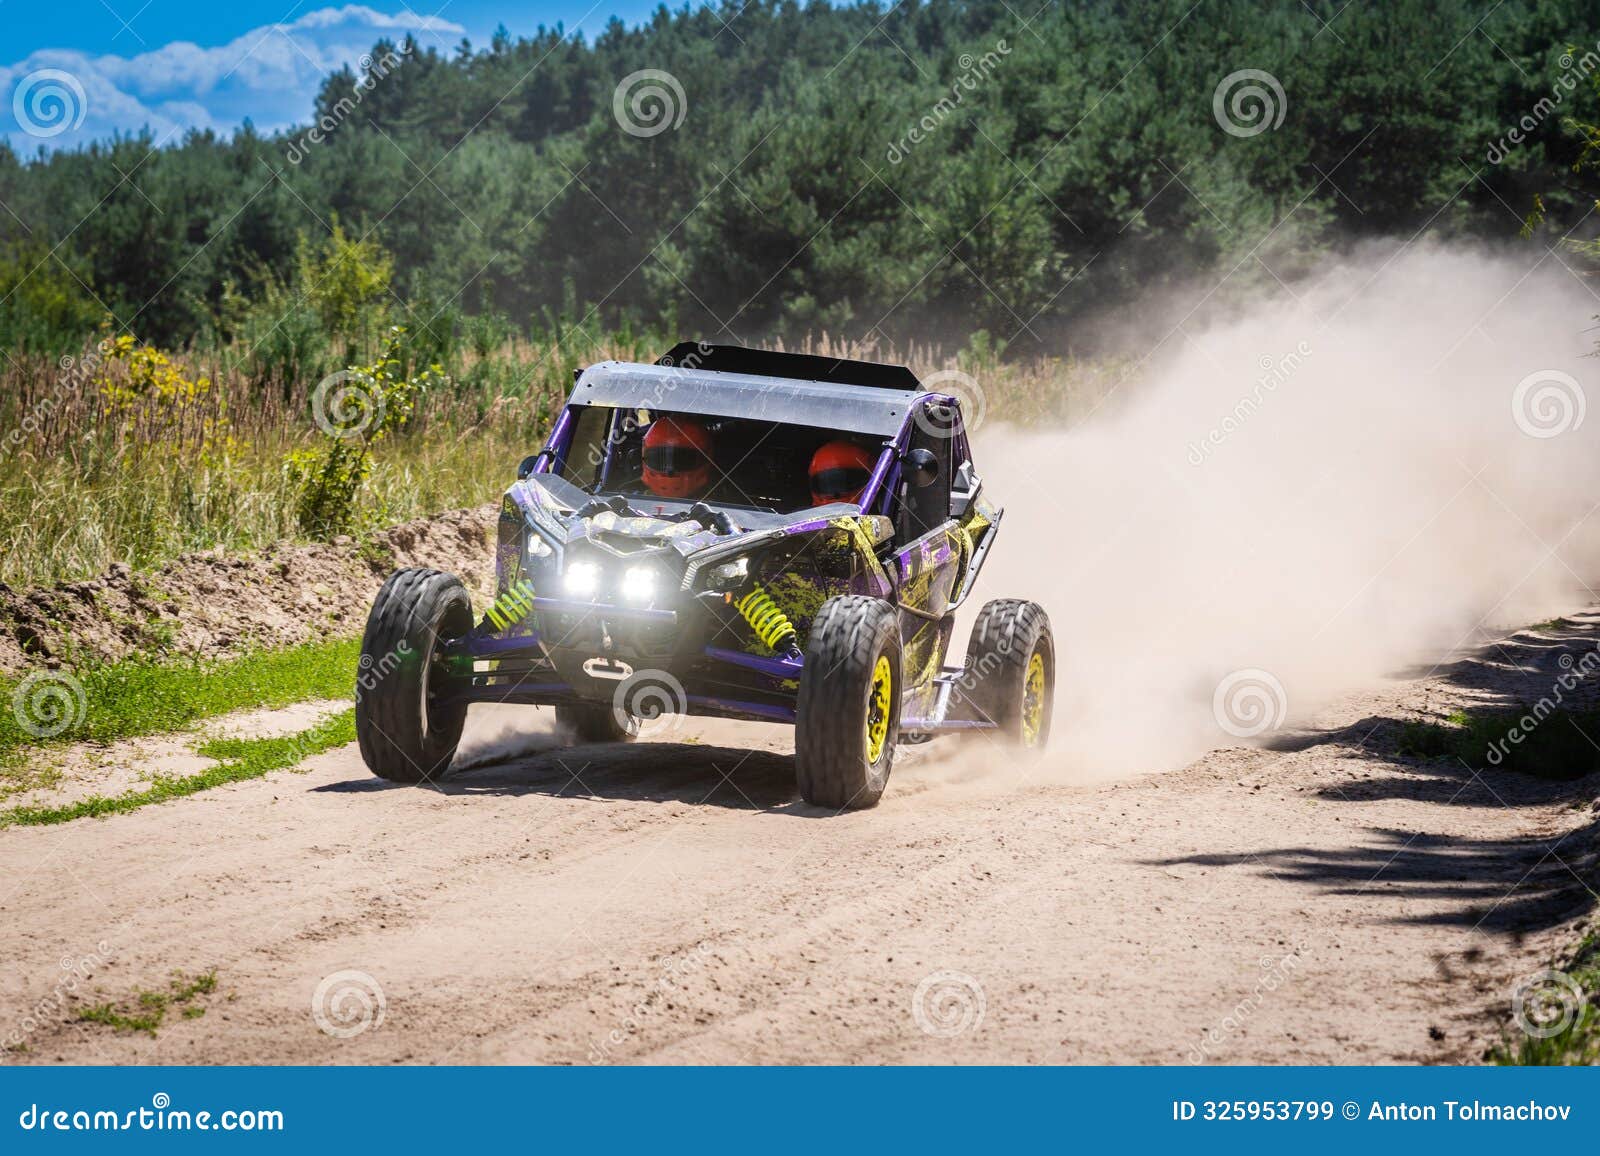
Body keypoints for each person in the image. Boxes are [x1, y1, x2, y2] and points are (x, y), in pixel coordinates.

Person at [641, 415, 715, 499]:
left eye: (682, 460)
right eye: (659, 459)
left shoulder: (721, 501)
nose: (670, 472)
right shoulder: (627, 495)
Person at [808, 440, 875, 507]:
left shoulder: (883, 512)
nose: (834, 493)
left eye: (848, 481)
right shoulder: (805, 516)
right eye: (826, 484)